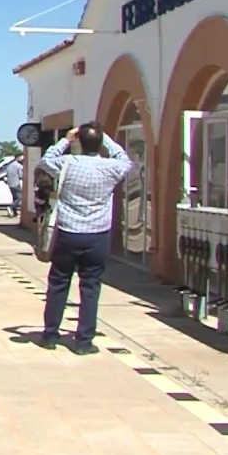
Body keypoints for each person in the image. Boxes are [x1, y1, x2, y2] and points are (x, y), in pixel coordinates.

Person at [34, 122, 133, 355]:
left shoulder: (66, 163)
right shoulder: (111, 167)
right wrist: (105, 137)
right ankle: (84, 340)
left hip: (68, 232)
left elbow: (46, 159)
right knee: (90, 287)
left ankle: (50, 335)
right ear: (99, 144)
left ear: (79, 141)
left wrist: (66, 140)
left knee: (58, 284)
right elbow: (125, 159)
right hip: (97, 234)